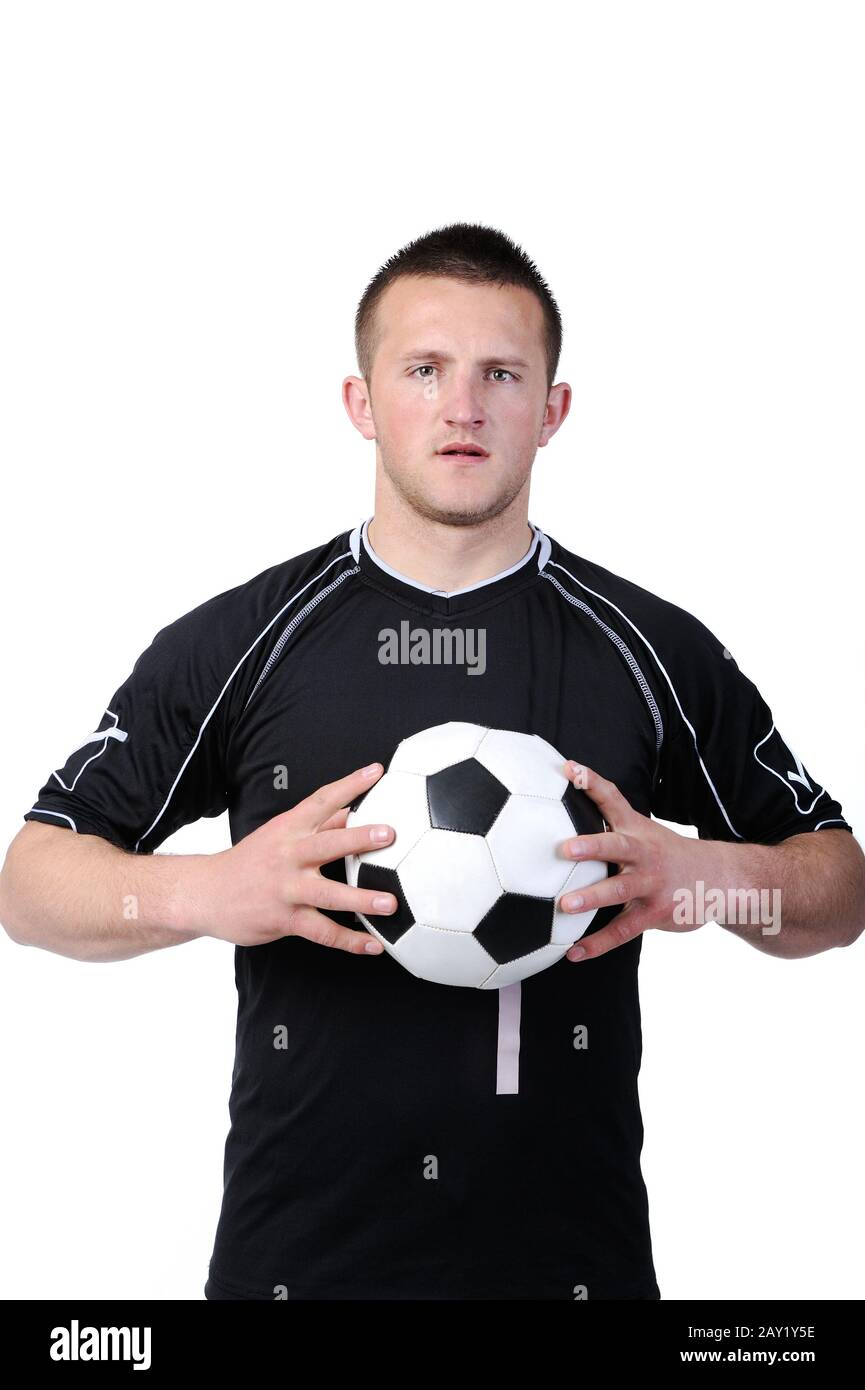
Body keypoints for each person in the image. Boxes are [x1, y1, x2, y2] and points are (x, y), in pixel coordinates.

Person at [2, 222, 862, 1302]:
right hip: (299, 1274)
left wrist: (708, 878)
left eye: (501, 373)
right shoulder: (242, 643)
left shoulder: (652, 650)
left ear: (551, 411)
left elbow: (837, 885)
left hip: (572, 1273)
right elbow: (31, 885)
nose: (464, 406)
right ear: (361, 403)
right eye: (425, 370)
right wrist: (204, 889)